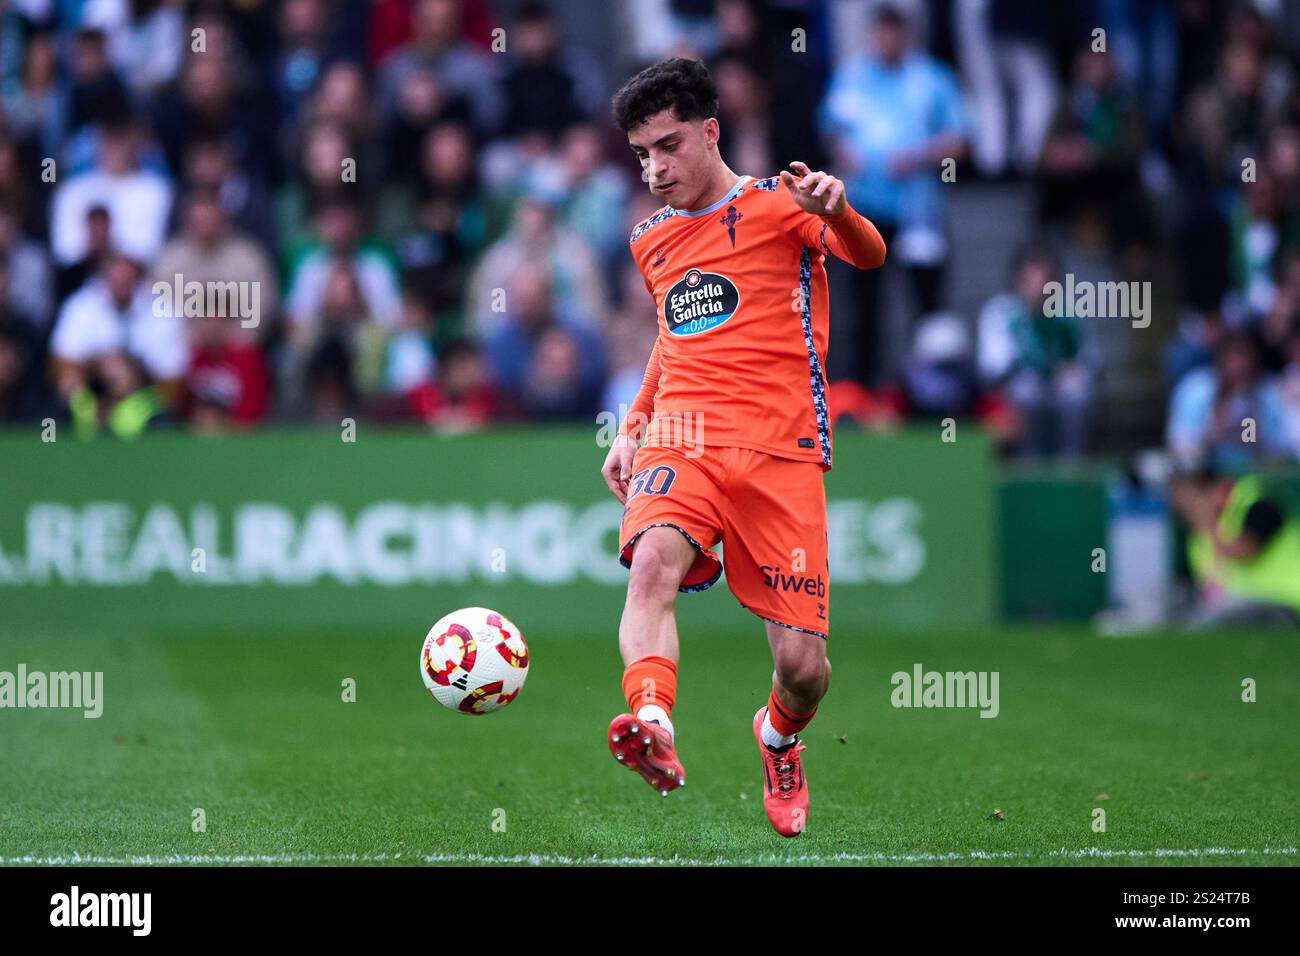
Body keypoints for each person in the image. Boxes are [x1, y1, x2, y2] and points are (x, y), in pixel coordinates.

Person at [599, 58, 886, 837]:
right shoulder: (649, 239)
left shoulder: (779, 205)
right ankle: (653, 722)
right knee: (653, 562)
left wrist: (840, 209)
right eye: (641, 155)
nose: (655, 169)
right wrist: (632, 425)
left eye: (668, 146)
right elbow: (672, 334)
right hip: (683, 437)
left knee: (802, 669)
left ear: (711, 131)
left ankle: (778, 737)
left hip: (779, 450)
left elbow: (869, 255)